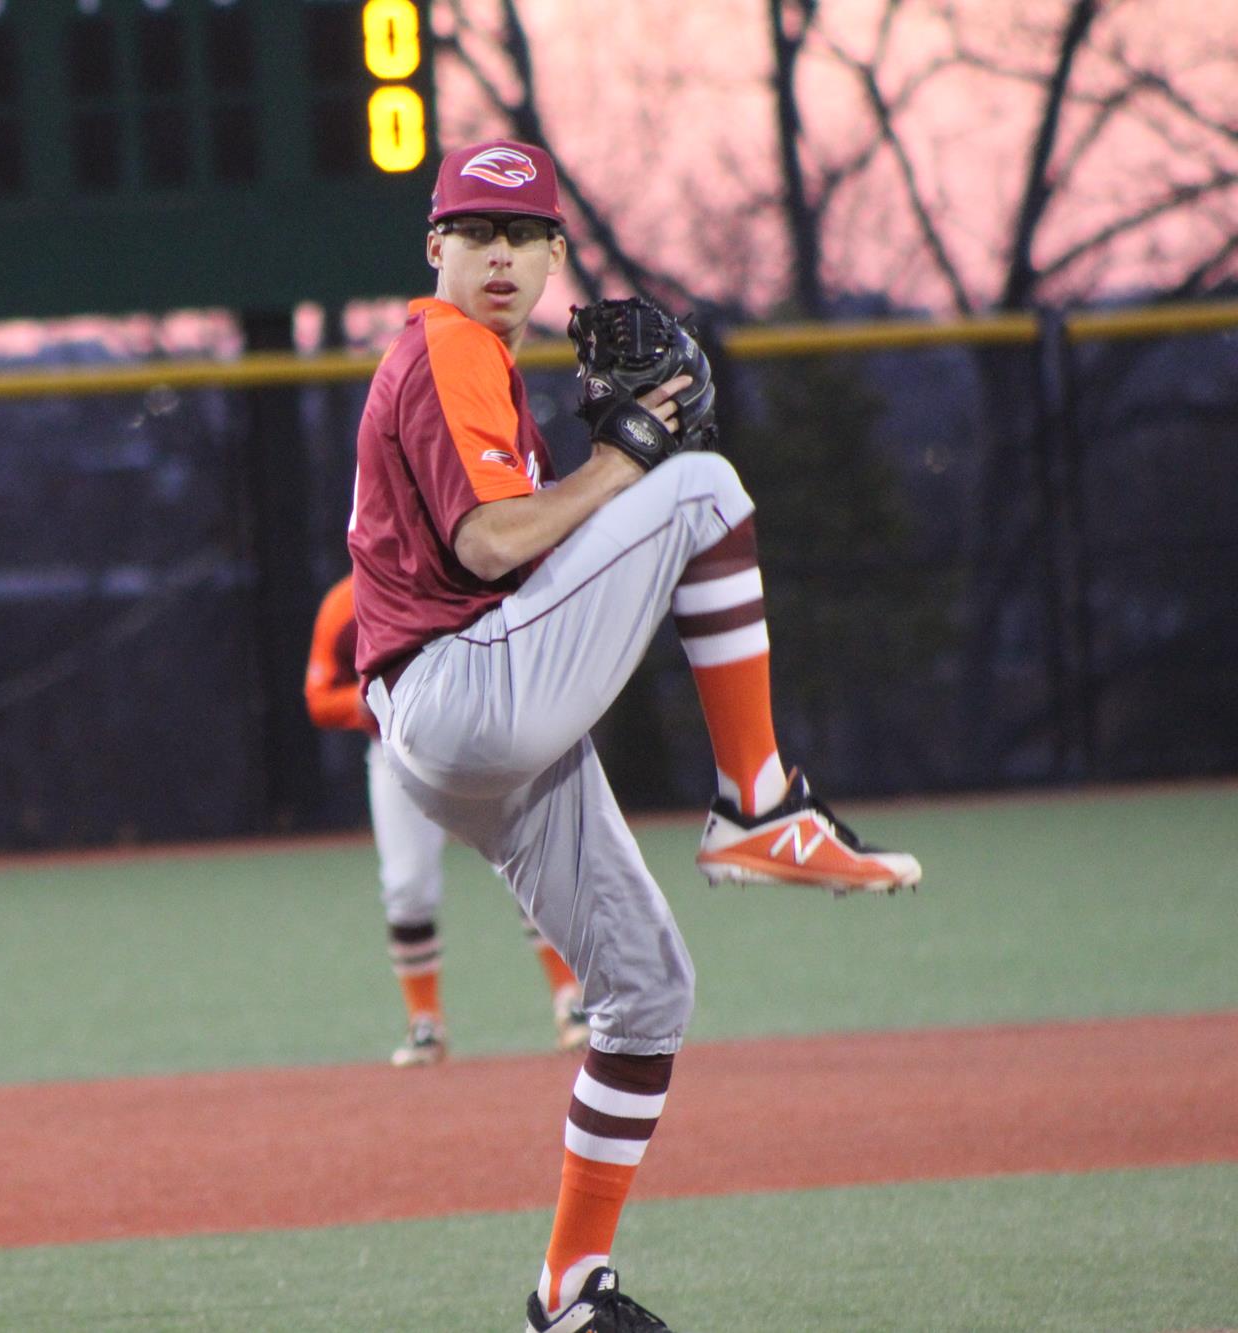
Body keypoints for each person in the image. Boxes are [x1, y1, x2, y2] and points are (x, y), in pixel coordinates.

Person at [346, 139, 921, 1333]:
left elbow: (527, 554)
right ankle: (758, 800)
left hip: (463, 726)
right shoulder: (446, 345)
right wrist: (629, 456)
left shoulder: (476, 365)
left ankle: (565, 1293)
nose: (499, 258)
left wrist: (610, 470)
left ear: (554, 253)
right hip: (463, 689)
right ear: (434, 248)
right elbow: (494, 550)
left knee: (646, 995)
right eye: (475, 233)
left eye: (523, 237)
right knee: (704, 488)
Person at [304, 572, 590, 1068]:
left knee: (533, 863)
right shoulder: (343, 606)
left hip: (483, 741)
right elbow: (318, 697)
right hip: (399, 757)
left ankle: (572, 1001)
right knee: (407, 886)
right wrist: (365, 702)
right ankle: (425, 1023)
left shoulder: (465, 577)